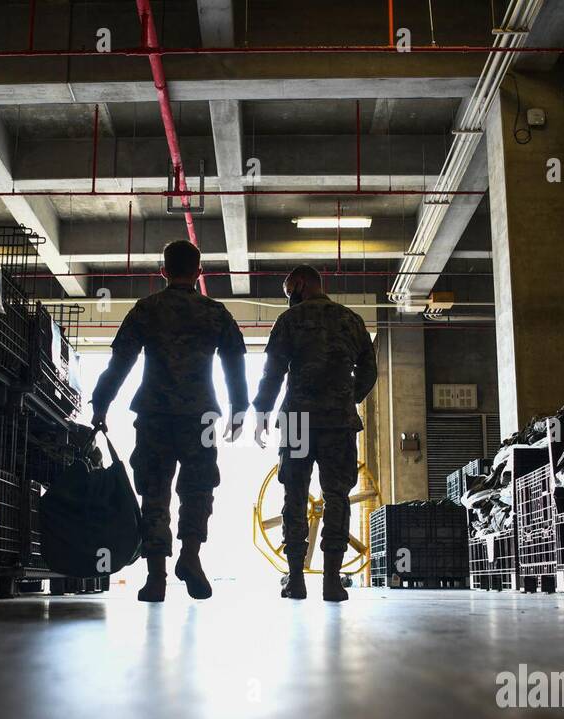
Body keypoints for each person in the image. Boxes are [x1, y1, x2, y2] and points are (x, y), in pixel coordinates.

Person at [90, 240, 248, 602]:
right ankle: (190, 556)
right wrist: (239, 408)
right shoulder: (215, 312)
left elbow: (121, 362)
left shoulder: (147, 309)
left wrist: (101, 403)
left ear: (163, 271)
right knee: (199, 488)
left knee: (155, 493)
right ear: (198, 272)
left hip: (155, 415)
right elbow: (235, 362)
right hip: (202, 416)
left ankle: (156, 578)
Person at [253, 265, 377, 602]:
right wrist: (348, 398)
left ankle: (295, 579)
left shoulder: (289, 321)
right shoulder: (351, 320)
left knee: (294, 495)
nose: (288, 297)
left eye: (288, 289)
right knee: (337, 496)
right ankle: (332, 582)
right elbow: (370, 369)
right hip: (338, 421)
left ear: (301, 284)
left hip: (295, 421)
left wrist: (262, 412)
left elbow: (273, 372)